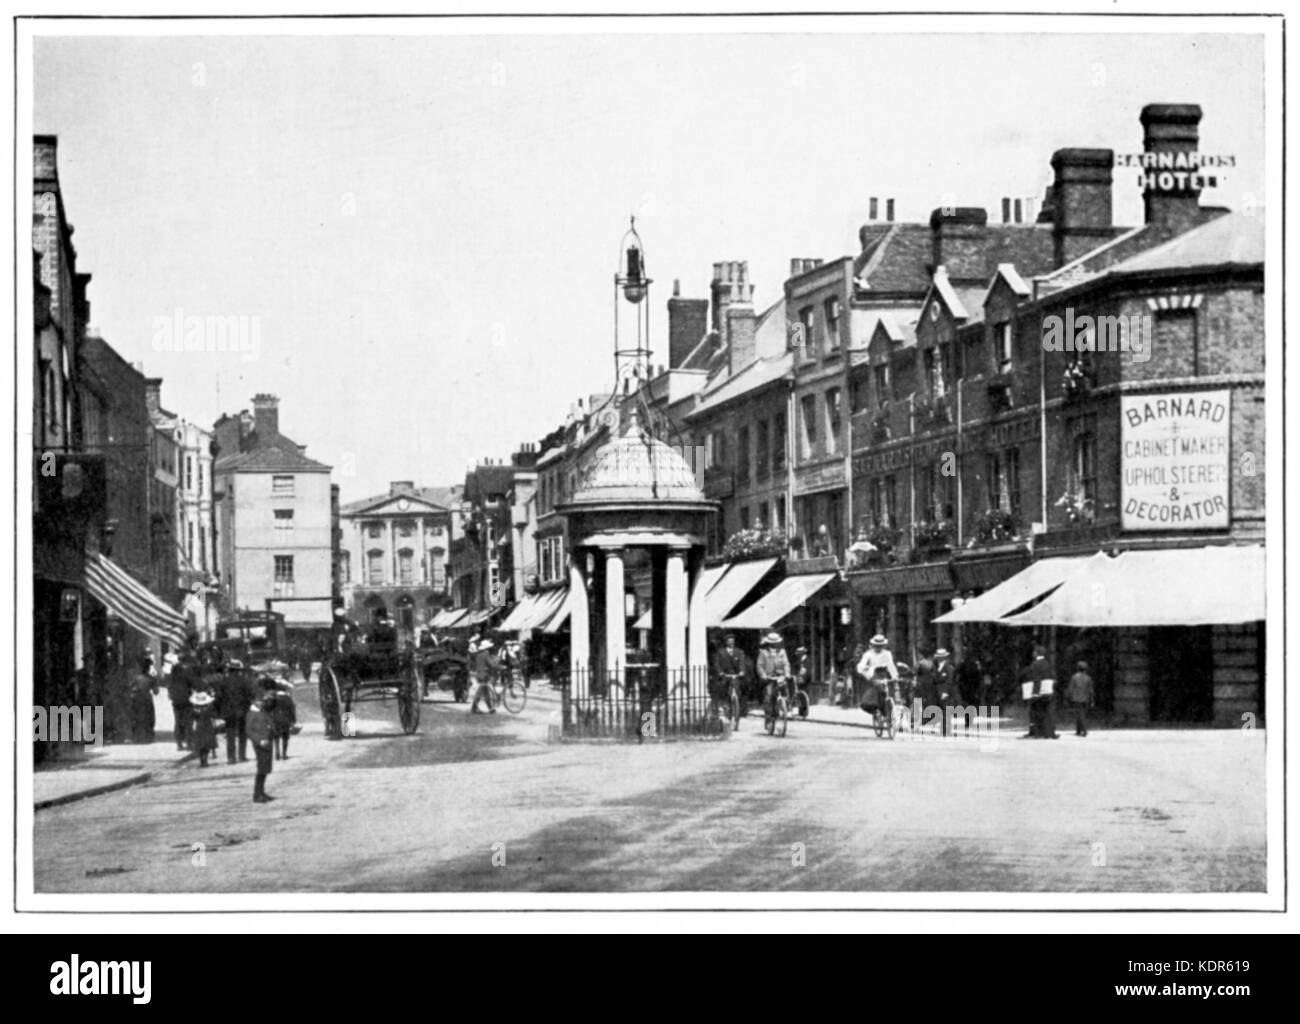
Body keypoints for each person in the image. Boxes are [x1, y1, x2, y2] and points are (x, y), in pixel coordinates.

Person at [214, 661, 254, 764]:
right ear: (239, 670)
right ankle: (242, 755)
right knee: (242, 734)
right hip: (242, 711)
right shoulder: (244, 681)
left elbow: (218, 697)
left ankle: (231, 758)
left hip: (229, 712)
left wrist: (219, 711)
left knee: (230, 735)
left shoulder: (223, 681)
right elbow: (250, 695)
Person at [246, 679, 278, 803]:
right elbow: (249, 731)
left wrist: (273, 732)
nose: (261, 703)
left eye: (262, 700)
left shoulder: (262, 711)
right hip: (260, 743)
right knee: (261, 769)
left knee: (265, 769)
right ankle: (257, 794)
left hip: (267, 741)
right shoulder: (252, 713)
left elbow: (269, 723)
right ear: (254, 701)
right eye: (259, 701)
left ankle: (261, 792)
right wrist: (259, 741)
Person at [1021, 643, 1059, 739]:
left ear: (1037, 653)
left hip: (1039, 690)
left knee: (1035, 711)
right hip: (1048, 691)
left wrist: (1035, 693)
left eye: (1034, 652)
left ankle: (1036, 732)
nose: (1033, 653)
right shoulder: (1047, 663)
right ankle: (1050, 732)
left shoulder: (1036, 664)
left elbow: (1036, 679)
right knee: (1048, 712)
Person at [857, 635, 899, 717]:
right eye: (876, 646)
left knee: (889, 691)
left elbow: (891, 665)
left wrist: (895, 676)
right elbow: (861, 666)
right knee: (878, 690)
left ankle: (888, 711)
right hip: (874, 674)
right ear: (873, 645)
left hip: (884, 673)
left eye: (880, 646)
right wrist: (864, 669)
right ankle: (876, 710)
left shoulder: (887, 654)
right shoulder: (868, 654)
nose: (878, 648)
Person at [755, 632, 792, 723]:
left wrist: (787, 673)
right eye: (773, 642)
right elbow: (760, 666)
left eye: (776, 642)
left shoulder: (782, 652)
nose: (775, 644)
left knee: (785, 690)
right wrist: (763, 675)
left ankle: (787, 707)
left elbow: (786, 664)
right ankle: (768, 717)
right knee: (768, 696)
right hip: (769, 678)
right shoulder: (763, 653)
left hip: (780, 676)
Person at [711, 634, 747, 727]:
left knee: (738, 692)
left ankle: (738, 711)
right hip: (724, 676)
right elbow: (717, 664)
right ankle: (724, 710)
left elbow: (742, 662)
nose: (731, 642)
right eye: (729, 641)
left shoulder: (739, 652)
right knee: (724, 693)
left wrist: (742, 671)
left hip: (735, 676)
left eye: (732, 641)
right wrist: (720, 672)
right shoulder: (720, 652)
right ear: (726, 642)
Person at [167, 652, 197, 751]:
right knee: (188, 722)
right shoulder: (187, 670)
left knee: (178, 722)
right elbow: (192, 683)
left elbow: (170, 684)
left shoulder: (174, 670)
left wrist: (171, 694)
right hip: (186, 698)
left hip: (176, 699)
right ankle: (189, 743)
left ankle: (179, 744)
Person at [129, 656, 159, 744]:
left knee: (136, 719)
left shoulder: (135, 678)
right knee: (148, 719)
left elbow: (130, 688)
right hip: (147, 699)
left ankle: (136, 737)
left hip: (137, 700)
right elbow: (156, 691)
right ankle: (148, 737)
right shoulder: (151, 678)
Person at [189, 689, 217, 767]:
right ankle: (205, 760)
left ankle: (202, 761)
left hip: (199, 727)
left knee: (200, 745)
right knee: (207, 745)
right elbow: (214, 715)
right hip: (208, 726)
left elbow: (191, 717)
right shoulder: (209, 708)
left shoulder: (195, 709)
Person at [469, 636, 498, 713]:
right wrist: (497, 666)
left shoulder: (478, 655)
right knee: (480, 692)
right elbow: (491, 664)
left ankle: (490, 708)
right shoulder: (486, 654)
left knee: (486, 692)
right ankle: (474, 707)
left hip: (479, 674)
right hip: (484, 675)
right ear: (486, 648)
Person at [269, 681, 297, 759]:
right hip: (285, 720)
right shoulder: (287, 698)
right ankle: (284, 754)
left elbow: (269, 708)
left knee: (276, 737)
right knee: (285, 737)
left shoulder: (274, 697)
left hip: (275, 719)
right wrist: (293, 720)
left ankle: (277, 752)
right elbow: (292, 709)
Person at [1067, 660, 1094, 737]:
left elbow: (1071, 688)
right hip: (1085, 698)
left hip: (1076, 698)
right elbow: (1091, 690)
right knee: (1082, 714)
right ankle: (1078, 730)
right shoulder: (1088, 678)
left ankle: (1084, 730)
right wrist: (1092, 700)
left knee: (1079, 714)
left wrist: (1069, 697)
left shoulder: (1074, 677)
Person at [934, 647, 956, 737]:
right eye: (938, 657)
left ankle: (947, 730)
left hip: (946, 692)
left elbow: (949, 680)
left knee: (947, 711)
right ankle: (943, 729)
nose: (939, 658)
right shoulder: (938, 667)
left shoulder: (948, 667)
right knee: (941, 711)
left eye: (941, 657)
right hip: (938, 691)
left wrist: (946, 692)